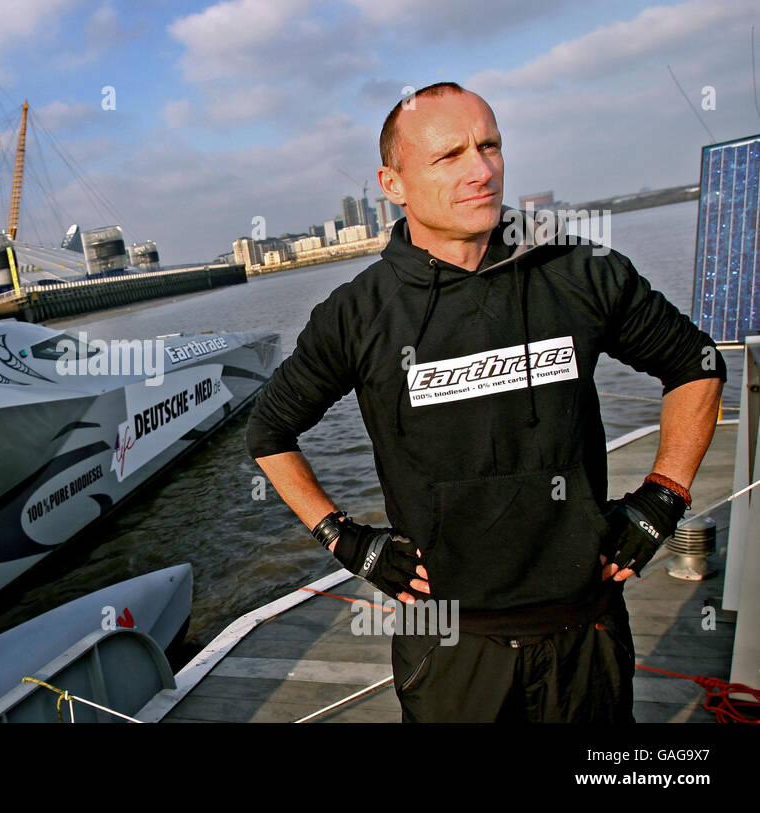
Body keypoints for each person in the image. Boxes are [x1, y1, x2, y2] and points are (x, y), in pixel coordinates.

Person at [245, 82, 725, 723]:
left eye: (490, 145)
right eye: (450, 156)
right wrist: (345, 540)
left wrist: (665, 496)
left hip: (583, 628)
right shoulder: (357, 314)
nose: (482, 170)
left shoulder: (577, 271)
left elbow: (696, 366)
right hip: (450, 647)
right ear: (392, 182)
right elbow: (270, 430)